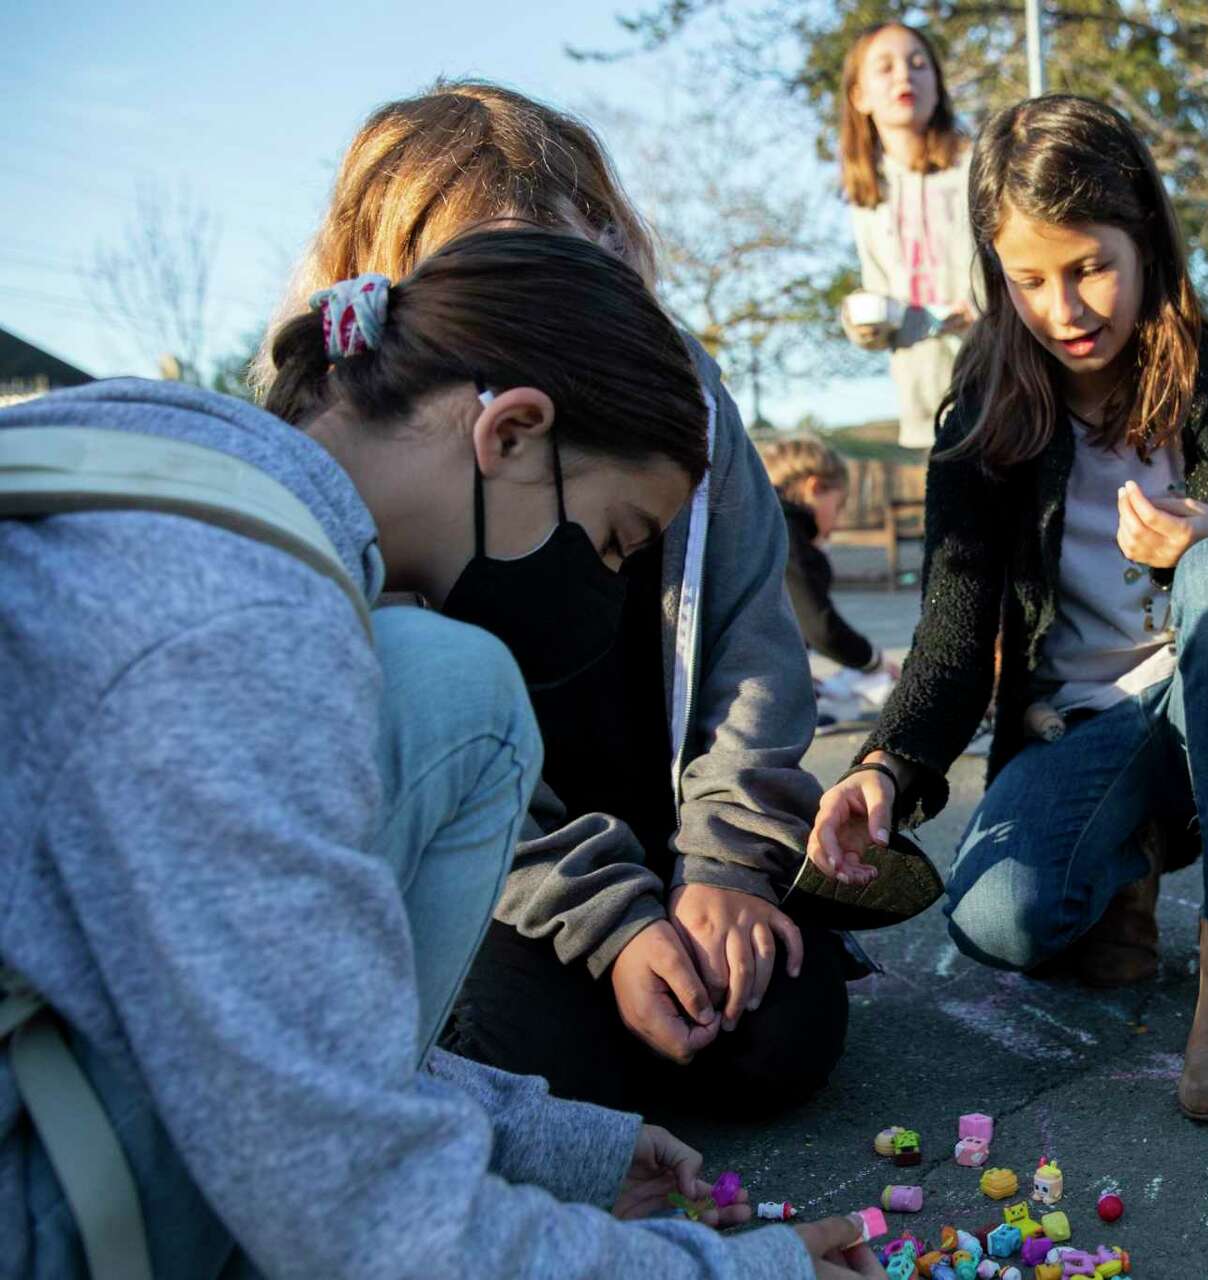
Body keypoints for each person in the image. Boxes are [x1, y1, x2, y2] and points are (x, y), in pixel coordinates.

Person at [0, 228, 883, 1278]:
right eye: (609, 538)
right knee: (466, 692)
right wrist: (744, 1273)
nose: (602, 582)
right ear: (511, 431)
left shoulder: (184, 475)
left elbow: (268, 1029)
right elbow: (349, 1204)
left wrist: (563, 1146)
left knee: (442, 682)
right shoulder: (238, 628)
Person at [261, 81, 851, 1117]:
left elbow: (753, 643)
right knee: (540, 1062)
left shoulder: (663, 409)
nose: (563, 314)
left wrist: (725, 870)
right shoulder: (367, 505)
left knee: (774, 1030)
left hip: (656, 834)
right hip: (510, 876)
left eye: (589, 268)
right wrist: (614, 923)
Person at [807, 96, 1208, 1125]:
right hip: (1085, 727)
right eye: (1029, 279)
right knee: (1003, 915)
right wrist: (885, 764)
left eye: (1089, 265)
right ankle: (1130, 858)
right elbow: (951, 626)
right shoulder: (984, 418)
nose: (1064, 306)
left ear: (1146, 236)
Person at [836, 21, 980, 449]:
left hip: (998, 384)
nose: (905, 75)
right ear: (859, 96)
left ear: (937, 85)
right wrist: (860, 323)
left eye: (919, 65)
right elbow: (881, 295)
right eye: (886, 67)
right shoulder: (867, 196)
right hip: (924, 407)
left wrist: (982, 308)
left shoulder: (976, 167)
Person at [759, 433, 894, 676]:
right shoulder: (783, 529)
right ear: (815, 487)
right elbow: (819, 627)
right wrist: (874, 662)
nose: (838, 522)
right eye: (839, 505)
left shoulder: (758, 521)